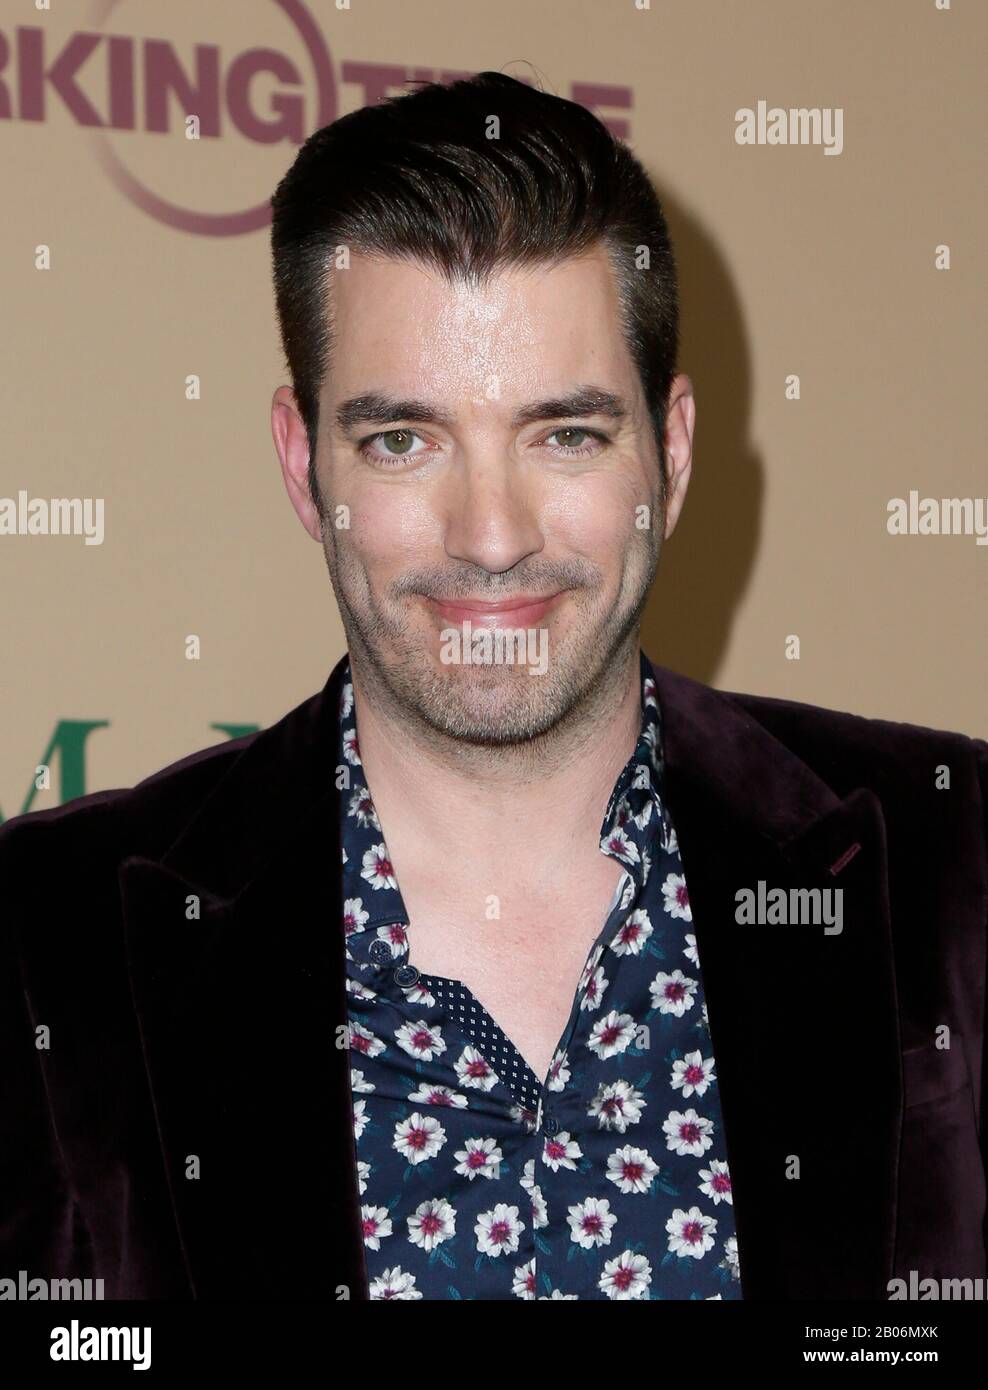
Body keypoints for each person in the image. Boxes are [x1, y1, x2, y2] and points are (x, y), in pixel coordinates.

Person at [1, 71, 985, 1302]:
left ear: (668, 457)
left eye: (563, 433)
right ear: (305, 468)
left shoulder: (956, 854)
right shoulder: (44, 934)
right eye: (403, 440)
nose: (491, 536)